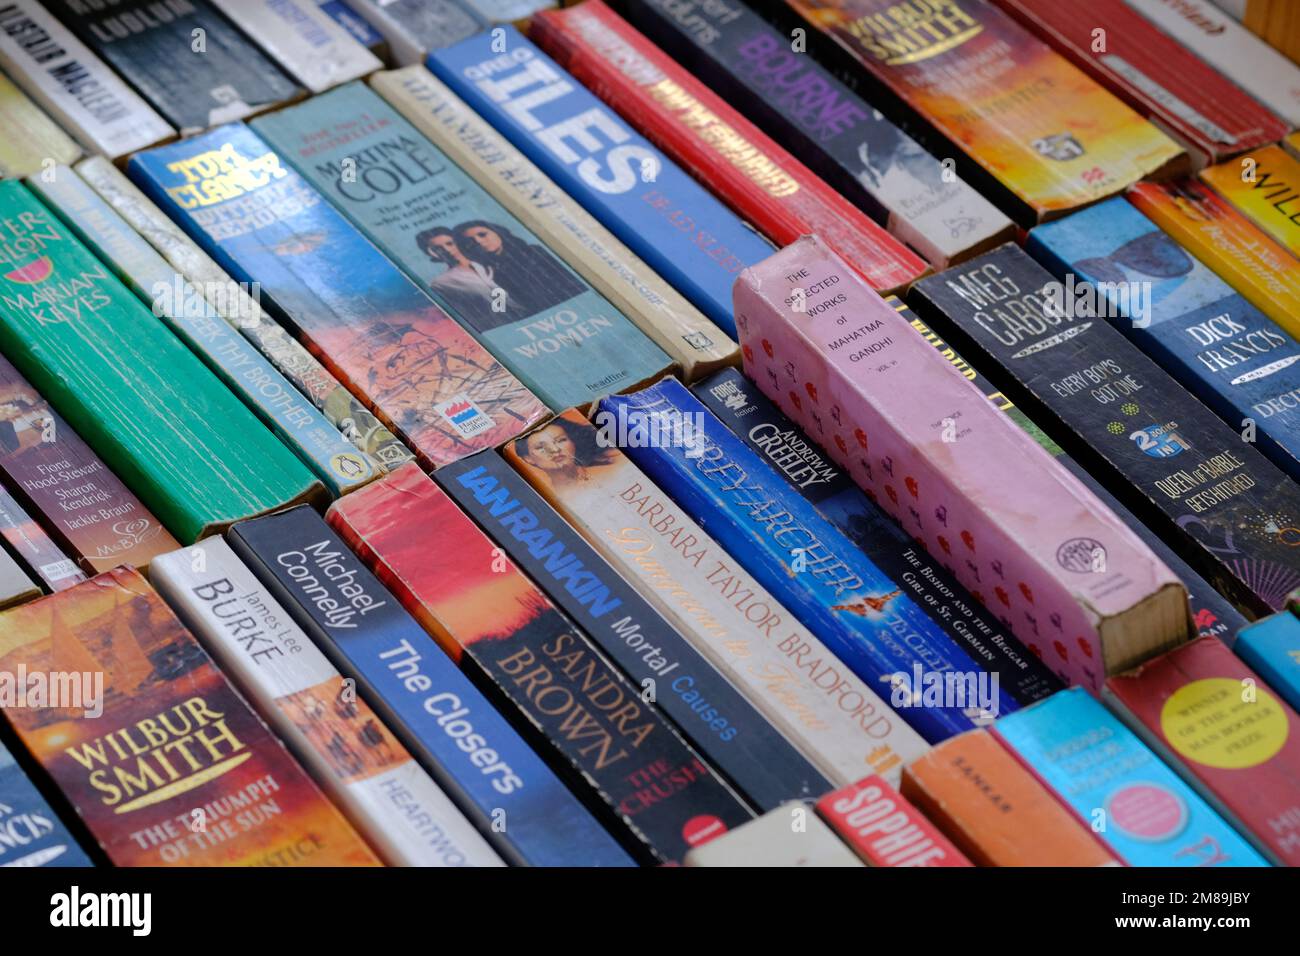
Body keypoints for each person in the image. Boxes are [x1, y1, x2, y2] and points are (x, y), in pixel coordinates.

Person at [454, 220, 587, 317]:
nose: (478, 241)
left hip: (573, 308)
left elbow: (572, 283)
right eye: (470, 241)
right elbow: (500, 308)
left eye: (482, 234)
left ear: (497, 232)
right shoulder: (486, 272)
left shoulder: (535, 253)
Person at [416, 227, 500, 331]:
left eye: (449, 243)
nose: (447, 250)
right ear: (431, 253)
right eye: (438, 248)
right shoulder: (442, 283)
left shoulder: (486, 264)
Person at [514, 417, 621, 494]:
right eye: (540, 447)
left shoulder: (612, 471)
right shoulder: (548, 498)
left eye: (561, 440)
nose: (555, 450)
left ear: (573, 443)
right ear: (528, 458)